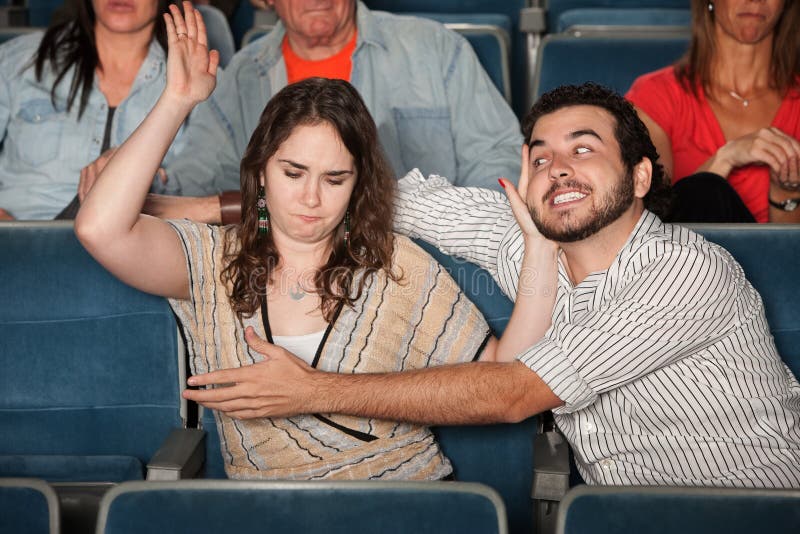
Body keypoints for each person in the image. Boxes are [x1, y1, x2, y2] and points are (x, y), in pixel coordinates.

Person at [185, 82, 800, 489]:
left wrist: (311, 390)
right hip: (620, 517)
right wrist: (214, 206)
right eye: (540, 157)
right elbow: (358, 194)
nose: (558, 168)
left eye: (583, 150)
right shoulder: (516, 232)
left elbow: (512, 393)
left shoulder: (684, 272)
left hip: (755, 508)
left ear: (639, 177)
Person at [76, 2, 537, 480]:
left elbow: (504, 376)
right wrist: (177, 99)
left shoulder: (398, 263)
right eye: (293, 173)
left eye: (335, 179)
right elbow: (98, 228)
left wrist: (540, 249)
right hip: (267, 508)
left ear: (359, 184)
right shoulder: (213, 259)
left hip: (401, 496)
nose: (311, 198)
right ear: (260, 172)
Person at [81, 0, 523, 224]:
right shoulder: (241, 77)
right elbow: (196, 179)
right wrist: (135, 174)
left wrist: (447, 234)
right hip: (287, 281)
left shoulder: (435, 48)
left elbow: (499, 165)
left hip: (425, 262)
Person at [0, 0, 192, 220]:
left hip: (142, 234)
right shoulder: (18, 60)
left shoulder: (196, 79)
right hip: (21, 234)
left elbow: (206, 190)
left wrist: (142, 176)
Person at [626, 0, 800, 223]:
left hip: (776, 246)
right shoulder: (656, 95)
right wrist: (725, 159)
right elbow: (645, 221)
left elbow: (787, 242)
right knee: (707, 189)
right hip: (682, 244)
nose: (754, 0)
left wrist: (787, 192)